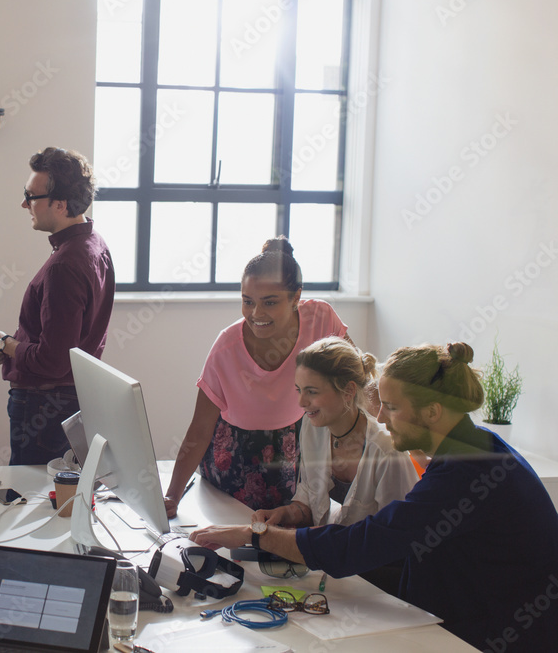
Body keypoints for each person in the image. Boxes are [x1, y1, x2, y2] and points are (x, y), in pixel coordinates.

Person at [188, 342, 558, 652]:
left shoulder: (466, 474)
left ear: (432, 411)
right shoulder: (475, 449)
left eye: (392, 407)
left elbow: (367, 542)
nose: (380, 416)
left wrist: (255, 536)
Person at [164, 238, 350, 514]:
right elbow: (200, 430)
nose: (256, 314)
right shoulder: (226, 348)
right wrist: (172, 497)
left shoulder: (320, 318)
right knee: (233, 530)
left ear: (296, 297)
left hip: (293, 449)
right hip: (234, 460)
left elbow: (354, 373)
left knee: (282, 531)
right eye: (247, 301)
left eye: (269, 302)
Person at [0, 147, 115, 465]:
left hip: (44, 406)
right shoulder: (94, 243)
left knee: (32, 491)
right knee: (59, 490)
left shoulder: (64, 264)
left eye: (31, 196)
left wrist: (3, 343)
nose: (24, 204)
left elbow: (53, 361)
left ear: (60, 204)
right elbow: (66, 341)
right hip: (71, 400)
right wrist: (13, 347)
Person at [256, 336, 417, 529]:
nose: (301, 402)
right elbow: (308, 501)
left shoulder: (387, 453)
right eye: (299, 390)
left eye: (312, 392)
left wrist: (315, 541)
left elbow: (395, 534)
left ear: (348, 391)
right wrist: (283, 514)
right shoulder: (312, 427)